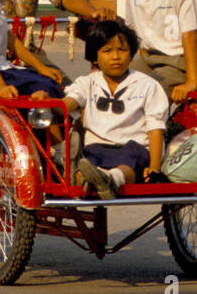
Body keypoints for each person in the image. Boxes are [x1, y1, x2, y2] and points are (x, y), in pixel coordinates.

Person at [64, 20, 169, 199]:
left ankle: (111, 179)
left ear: (131, 53)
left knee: (127, 166)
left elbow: (155, 128)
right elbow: (71, 100)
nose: (115, 57)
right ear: (95, 57)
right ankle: (85, 177)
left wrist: (154, 168)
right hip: (96, 147)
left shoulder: (147, 85)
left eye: (122, 50)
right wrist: (53, 103)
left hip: (134, 147)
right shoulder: (87, 83)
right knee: (87, 164)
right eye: (107, 51)